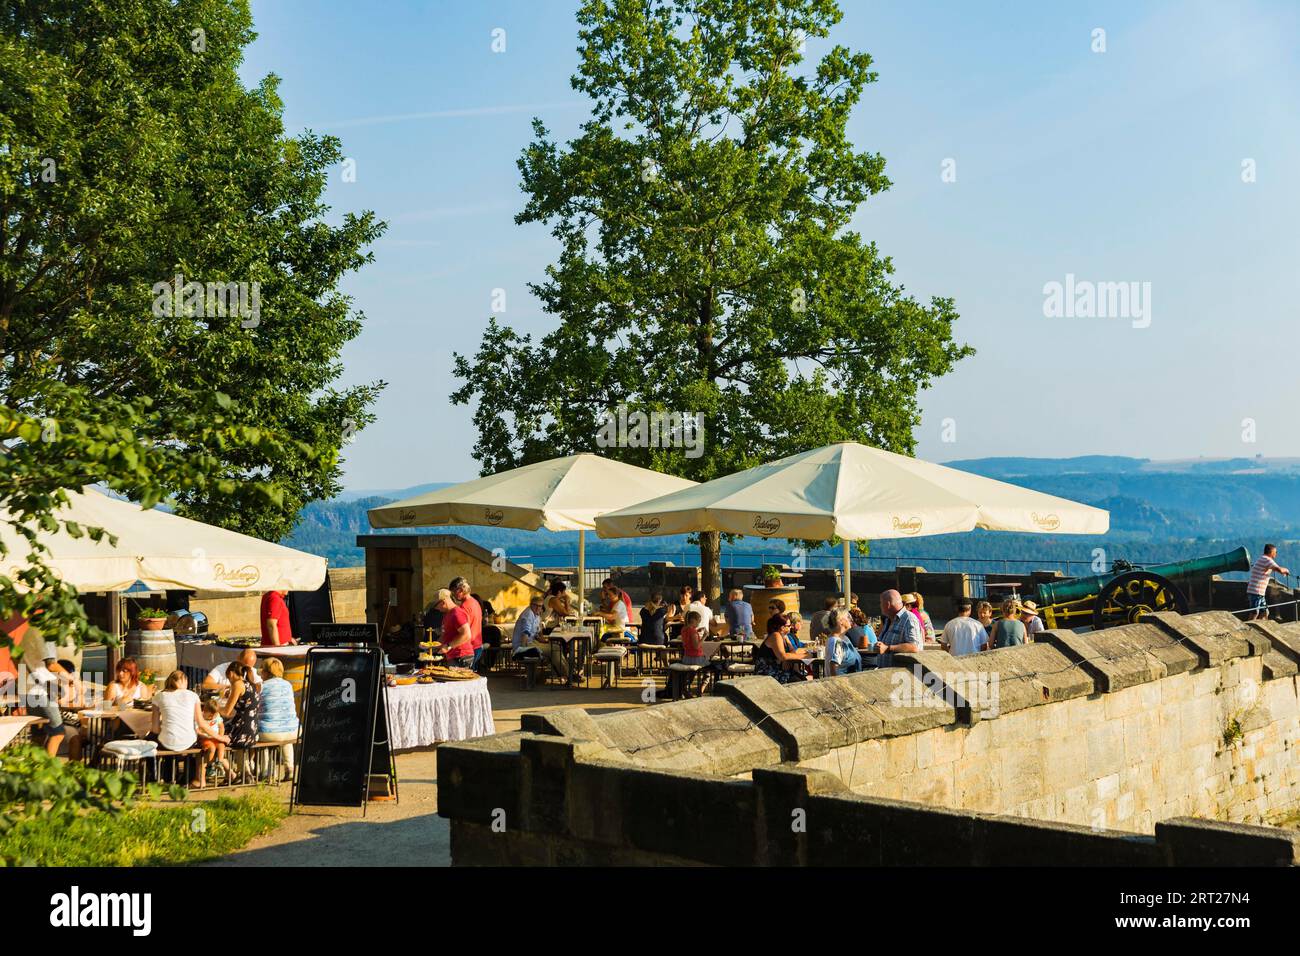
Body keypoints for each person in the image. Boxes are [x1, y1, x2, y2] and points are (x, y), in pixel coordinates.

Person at [149, 671, 211, 783]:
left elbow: (155, 729)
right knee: (192, 744)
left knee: (151, 742)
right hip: (189, 741)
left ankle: (155, 778)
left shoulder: (158, 697)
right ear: (185, 681)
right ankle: (187, 778)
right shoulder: (193, 696)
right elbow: (201, 723)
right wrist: (218, 737)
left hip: (166, 742)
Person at [257, 658, 300, 782]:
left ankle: (267, 773)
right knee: (285, 733)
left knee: (262, 733)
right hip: (294, 730)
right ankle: (290, 769)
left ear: (266, 672)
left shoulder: (262, 686)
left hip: (269, 733)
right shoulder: (288, 685)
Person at [753, 614, 810, 684]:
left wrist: (788, 641)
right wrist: (805, 656)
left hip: (777, 670)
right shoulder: (775, 635)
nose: (791, 627)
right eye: (789, 626)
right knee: (799, 682)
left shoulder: (783, 636)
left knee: (802, 680)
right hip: (767, 673)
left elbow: (792, 653)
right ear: (782, 627)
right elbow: (783, 656)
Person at [874, 590, 924, 668]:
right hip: (884, 673)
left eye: (881, 603)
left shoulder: (909, 618)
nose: (880, 605)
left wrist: (888, 648)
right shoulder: (888, 619)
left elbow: (914, 647)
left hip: (899, 676)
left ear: (888, 604)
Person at [1248, 544, 1289, 621]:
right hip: (1256, 591)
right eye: (1276, 552)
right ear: (1271, 552)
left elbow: (1273, 568)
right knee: (1254, 612)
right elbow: (1279, 569)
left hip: (1257, 592)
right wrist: (1286, 570)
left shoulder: (1262, 559)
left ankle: (1257, 627)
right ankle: (1247, 630)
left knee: (1265, 612)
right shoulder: (1267, 560)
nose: (1276, 553)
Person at [436, 588, 475, 668]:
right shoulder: (447, 614)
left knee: (456, 680)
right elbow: (445, 635)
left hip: (461, 656)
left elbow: (466, 634)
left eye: (437, 606)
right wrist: (433, 646)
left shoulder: (457, 613)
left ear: (443, 602)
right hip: (454, 656)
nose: (437, 609)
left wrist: (448, 646)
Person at [450, 577, 484, 670]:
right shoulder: (475, 602)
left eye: (454, 592)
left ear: (461, 590)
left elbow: (463, 631)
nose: (453, 596)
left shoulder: (464, 607)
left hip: (470, 649)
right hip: (478, 646)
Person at [197, 699, 231, 785]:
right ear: (204, 710)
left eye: (214, 715)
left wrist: (220, 736)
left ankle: (219, 762)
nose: (212, 717)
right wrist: (203, 736)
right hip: (206, 738)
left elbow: (221, 727)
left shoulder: (217, 716)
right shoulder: (200, 717)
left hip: (216, 737)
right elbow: (198, 730)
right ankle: (210, 765)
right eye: (210, 716)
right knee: (211, 748)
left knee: (221, 746)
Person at [825, 611, 864, 676]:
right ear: (841, 621)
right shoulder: (836, 642)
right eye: (848, 617)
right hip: (842, 684)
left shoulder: (845, 638)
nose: (851, 619)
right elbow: (833, 668)